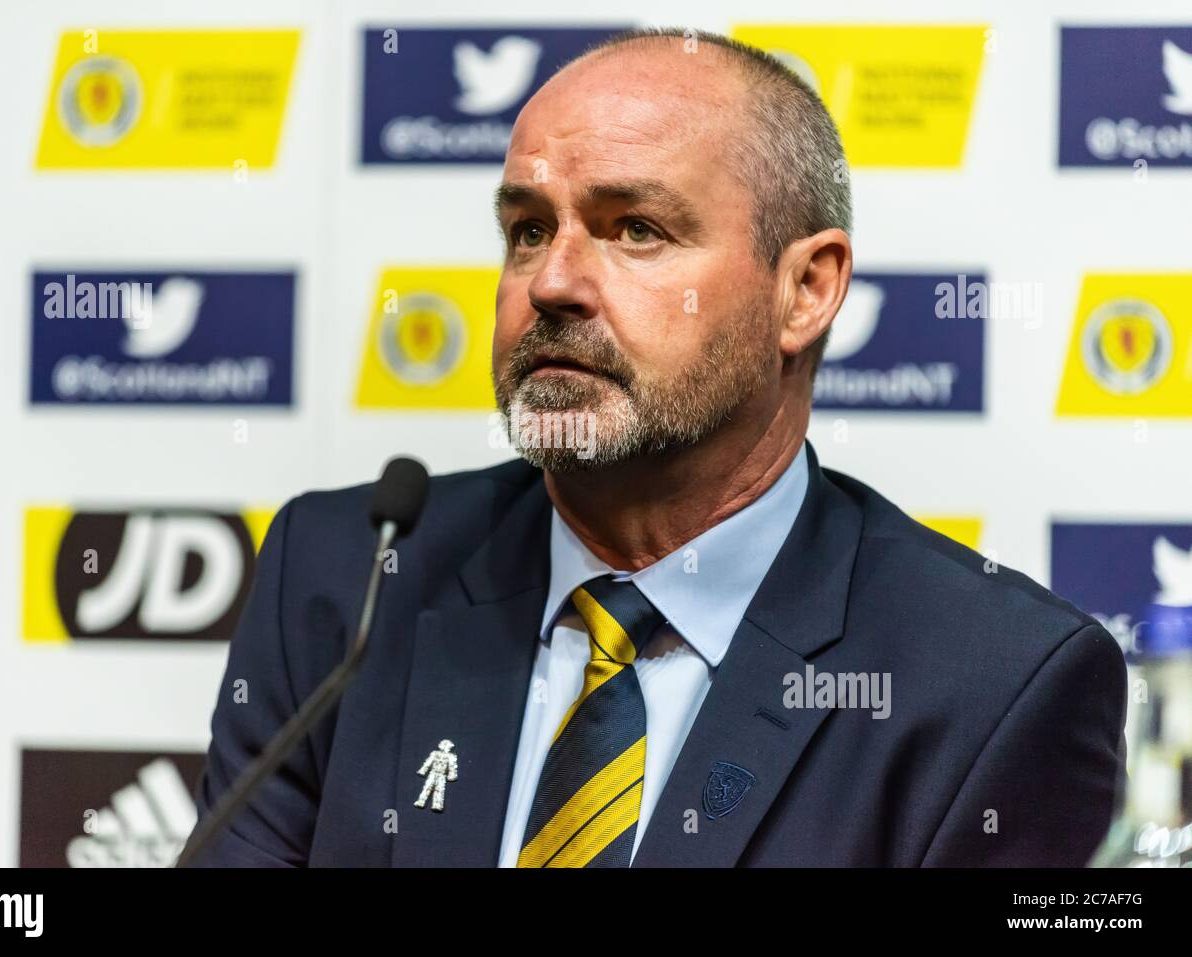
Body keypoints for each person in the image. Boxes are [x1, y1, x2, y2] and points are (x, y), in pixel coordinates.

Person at [185, 27, 1126, 867]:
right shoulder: (350, 577)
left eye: (636, 229)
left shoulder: (996, 681)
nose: (551, 281)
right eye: (527, 230)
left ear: (805, 290)